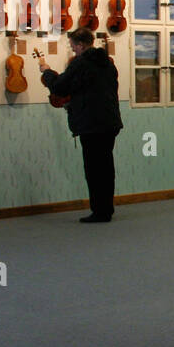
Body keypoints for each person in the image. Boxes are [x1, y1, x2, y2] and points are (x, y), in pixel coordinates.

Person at [37, 27, 123, 223]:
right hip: (110, 121)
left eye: (74, 46)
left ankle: (99, 212)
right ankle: (106, 209)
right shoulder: (108, 64)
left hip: (90, 123)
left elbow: (60, 87)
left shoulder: (81, 63)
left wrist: (47, 72)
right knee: (106, 167)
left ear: (81, 45)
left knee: (93, 168)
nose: (73, 49)